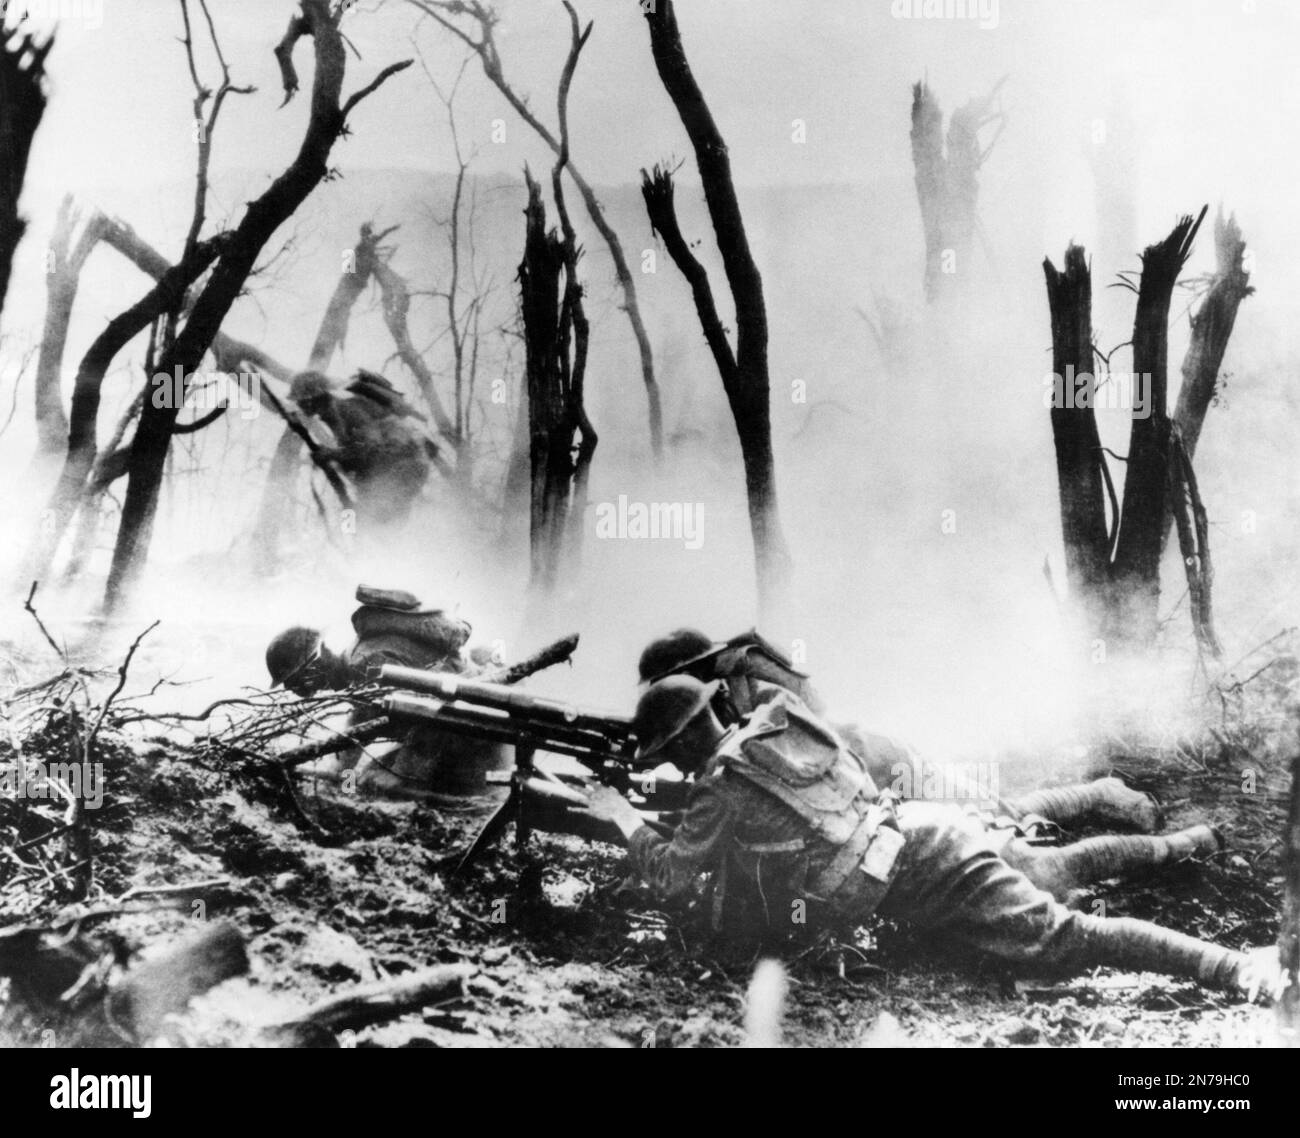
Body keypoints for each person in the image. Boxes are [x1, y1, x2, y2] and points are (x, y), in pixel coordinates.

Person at [566, 676, 1283, 1002]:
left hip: (926, 864)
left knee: (1064, 937)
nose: (671, 764)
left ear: (686, 741)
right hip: (910, 848)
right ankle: (1184, 850)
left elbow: (673, 881)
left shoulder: (719, 788)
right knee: (1026, 912)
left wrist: (620, 817)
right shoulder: (770, 730)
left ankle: (1237, 969)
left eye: (668, 752)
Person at [636, 627, 1159, 835]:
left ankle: (1102, 793)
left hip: (873, 759)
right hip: (850, 787)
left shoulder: (744, 669)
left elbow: (813, 710)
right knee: (989, 818)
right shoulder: (715, 704)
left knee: (995, 811)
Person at [265, 586, 507, 798]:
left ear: (316, 663)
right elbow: (358, 732)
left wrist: (402, 774)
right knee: (372, 778)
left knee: (381, 785)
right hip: (460, 728)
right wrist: (344, 783)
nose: (303, 693)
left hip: (477, 733)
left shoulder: (366, 665)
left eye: (298, 684)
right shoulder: (356, 668)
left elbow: (431, 710)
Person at [289, 370, 436, 528]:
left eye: (301, 401)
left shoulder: (347, 407)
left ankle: (372, 546)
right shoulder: (332, 414)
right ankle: (359, 546)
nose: (298, 405)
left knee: (376, 523)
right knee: (365, 523)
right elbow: (357, 454)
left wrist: (331, 455)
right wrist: (326, 458)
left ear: (313, 399)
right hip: (392, 469)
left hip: (402, 466)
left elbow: (369, 445)